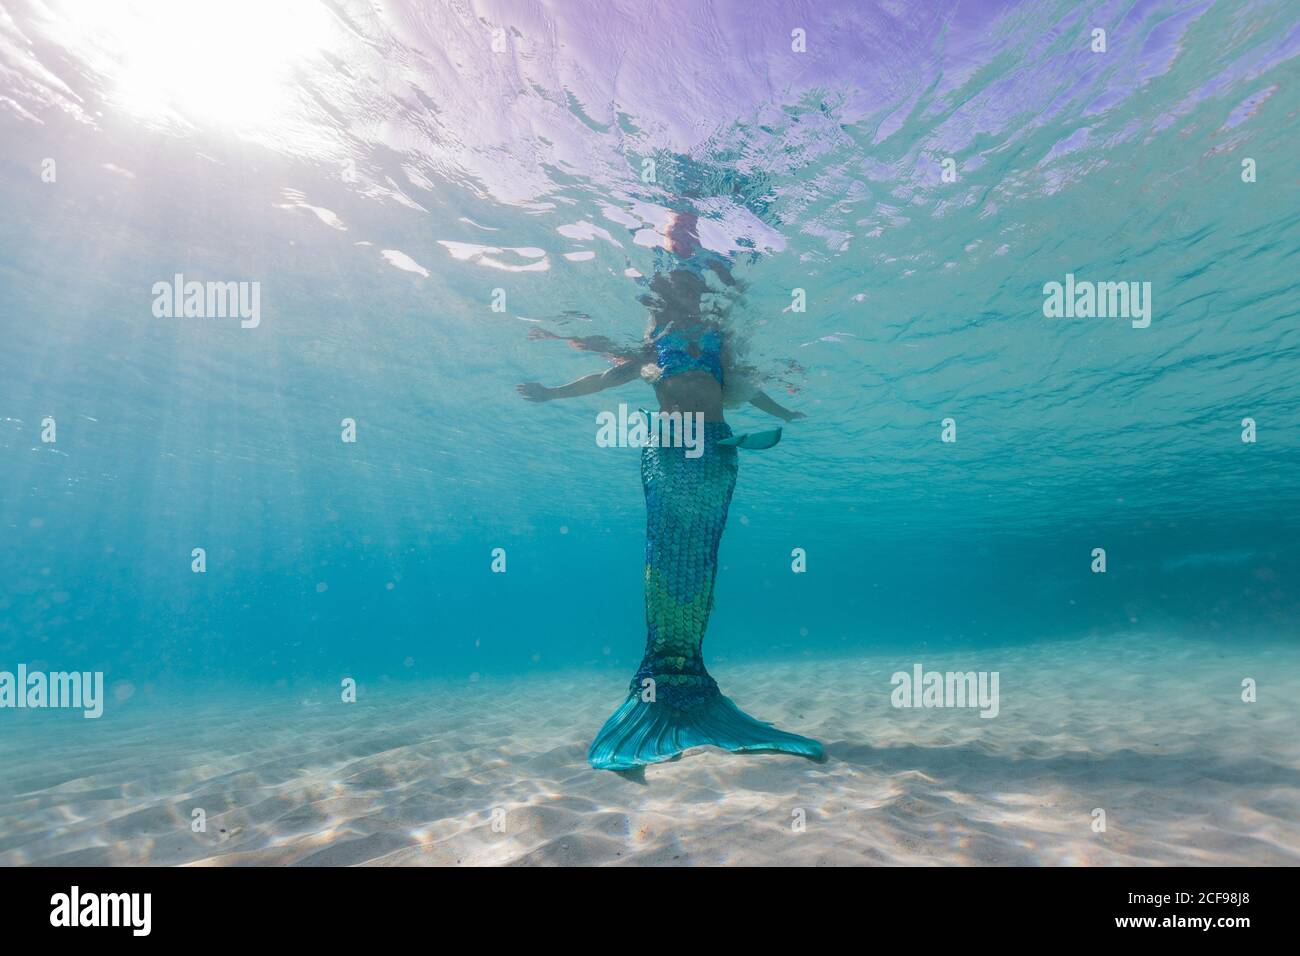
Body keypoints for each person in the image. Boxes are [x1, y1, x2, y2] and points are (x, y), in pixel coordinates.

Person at [517, 210, 824, 771]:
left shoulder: (713, 342)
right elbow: (601, 377)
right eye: (669, 283)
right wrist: (551, 393)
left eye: (687, 280)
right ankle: (665, 680)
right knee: (667, 560)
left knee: (695, 559)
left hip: (714, 452)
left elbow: (749, 391)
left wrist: (789, 411)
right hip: (669, 451)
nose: (676, 290)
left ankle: (686, 682)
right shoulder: (652, 349)